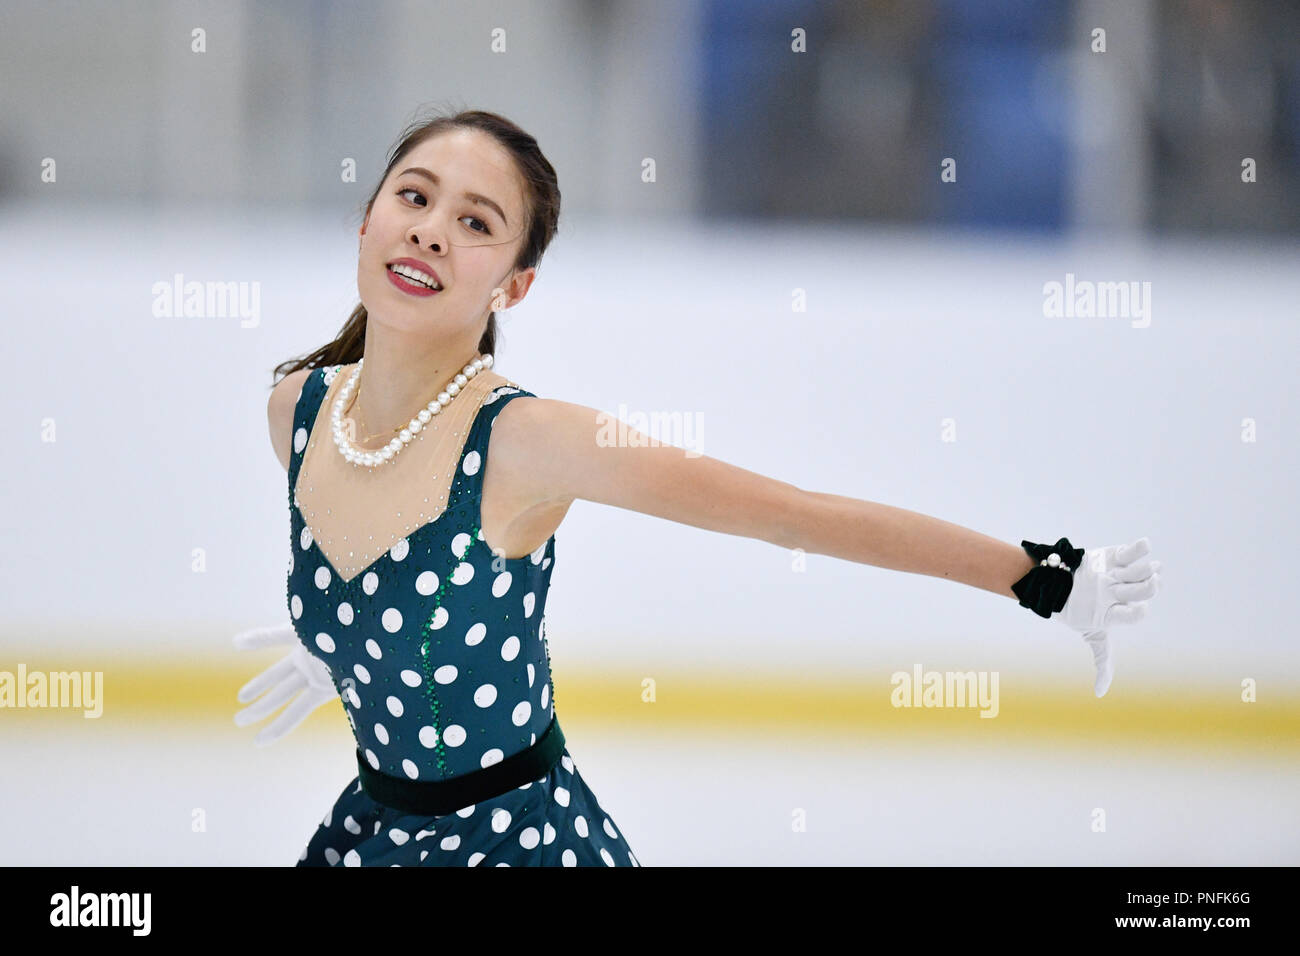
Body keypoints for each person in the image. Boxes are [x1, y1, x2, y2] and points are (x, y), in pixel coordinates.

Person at [234, 108, 1161, 867]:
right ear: (367, 219)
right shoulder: (300, 415)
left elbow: (792, 516)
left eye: (477, 222)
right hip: (376, 840)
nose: (433, 228)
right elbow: (405, 583)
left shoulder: (528, 441)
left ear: (512, 288)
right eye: (415, 196)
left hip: (517, 846)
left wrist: (1035, 575)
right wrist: (351, 647)